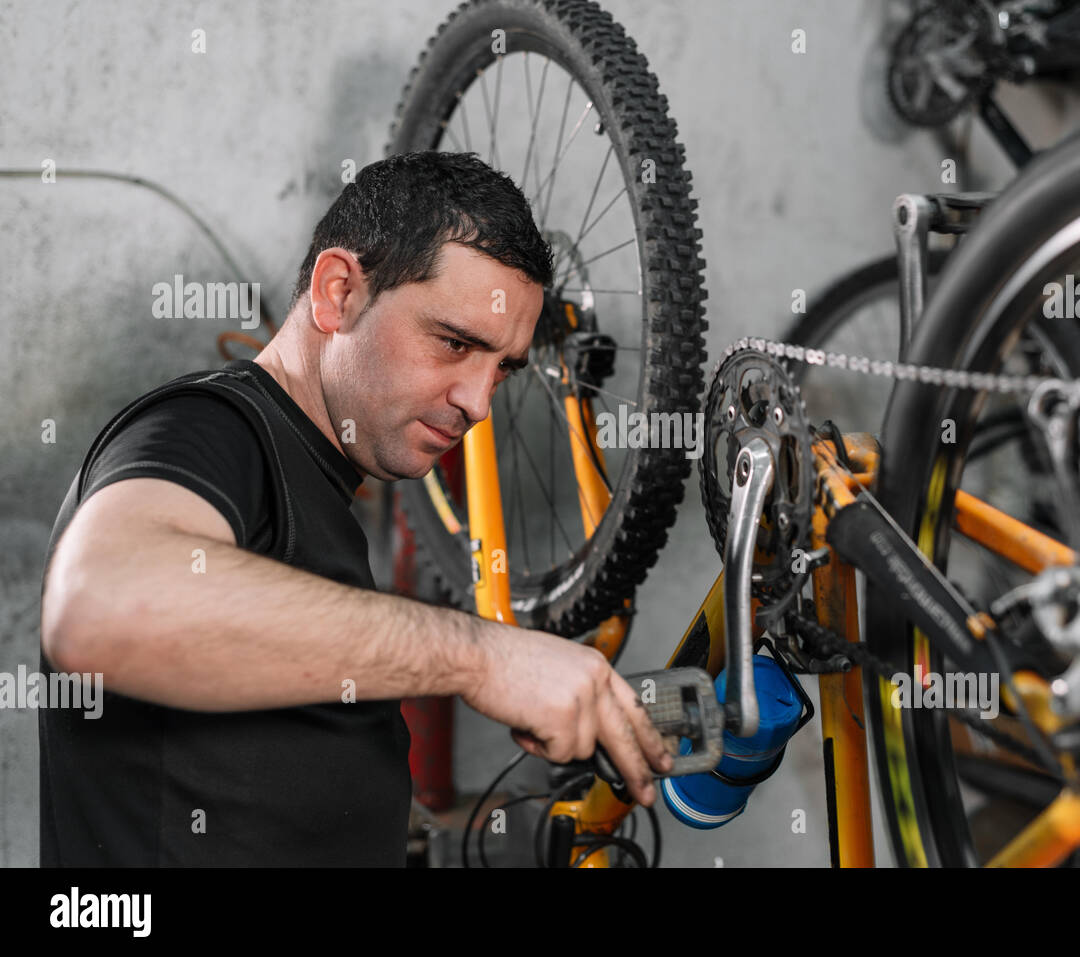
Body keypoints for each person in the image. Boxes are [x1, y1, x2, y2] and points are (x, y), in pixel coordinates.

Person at [38, 151, 672, 867]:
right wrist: (480, 659)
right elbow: (101, 607)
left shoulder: (320, 491)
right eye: (455, 342)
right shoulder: (213, 428)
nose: (477, 401)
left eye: (502, 368)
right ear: (338, 292)